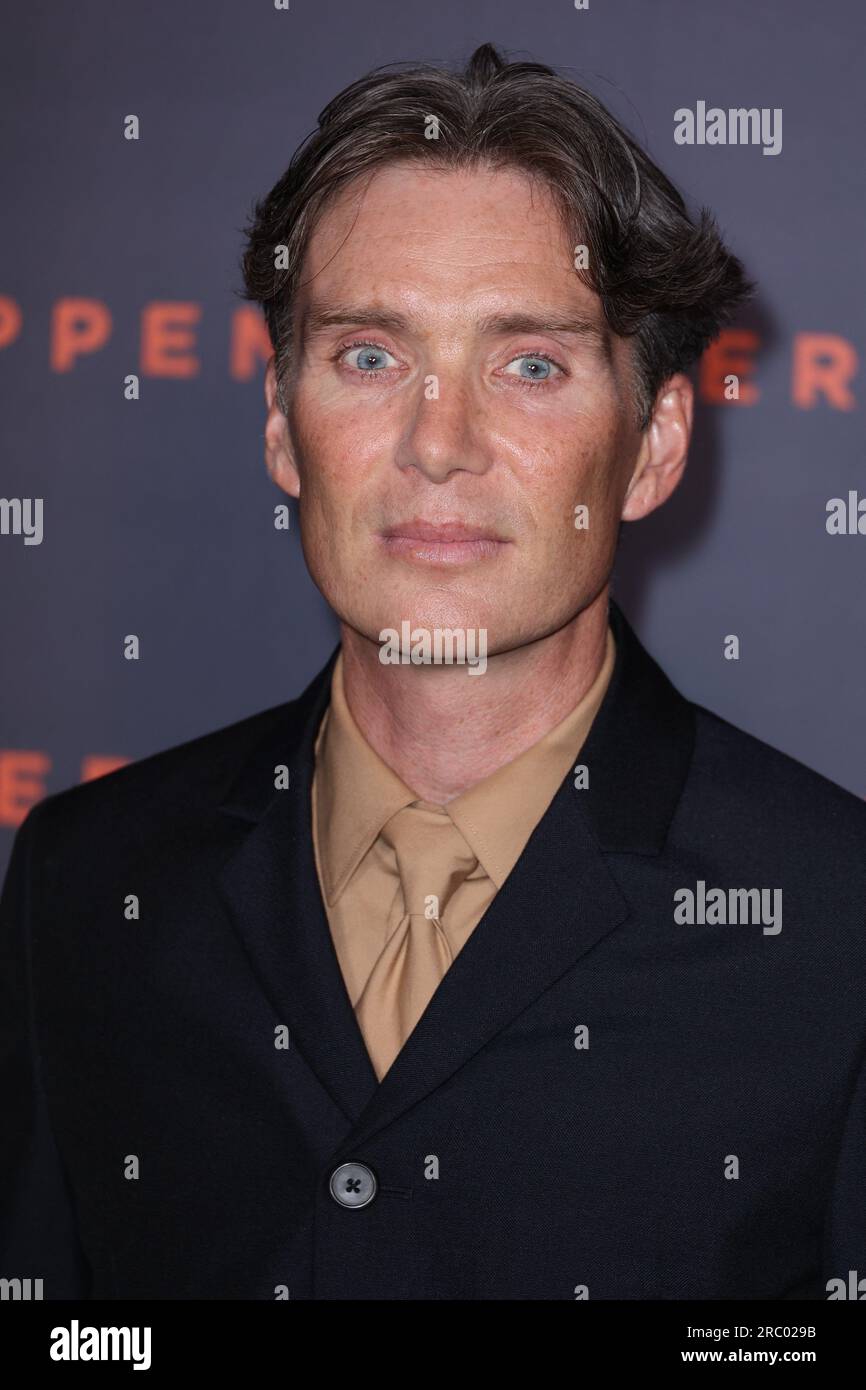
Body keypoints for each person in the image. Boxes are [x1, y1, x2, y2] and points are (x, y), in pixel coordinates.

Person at [2, 43, 865, 1302]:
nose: (437, 443)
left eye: (528, 364)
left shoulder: (836, 926)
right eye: (367, 357)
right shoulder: (87, 883)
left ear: (652, 445)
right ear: (279, 423)